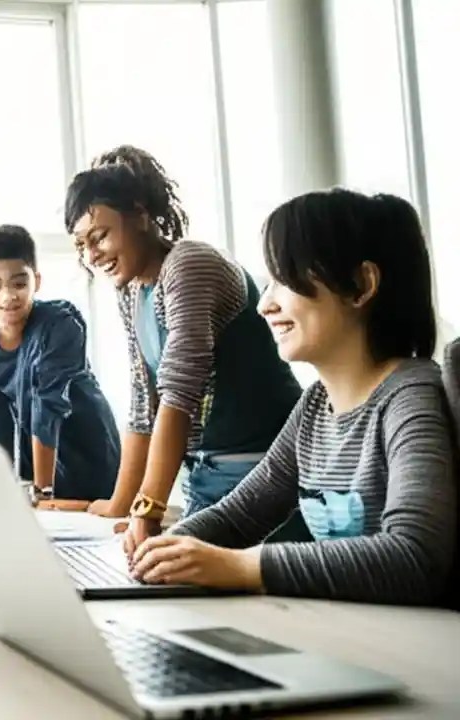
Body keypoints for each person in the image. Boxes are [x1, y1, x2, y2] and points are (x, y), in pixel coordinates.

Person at [129, 189, 457, 606]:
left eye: (284, 280)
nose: (264, 305)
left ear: (360, 285)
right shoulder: (316, 406)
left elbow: (415, 558)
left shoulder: (411, 399)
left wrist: (241, 567)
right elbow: (241, 514)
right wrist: (167, 550)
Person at [64, 146, 303, 552]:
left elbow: (179, 394)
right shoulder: (133, 289)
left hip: (263, 476)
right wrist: (121, 507)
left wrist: (148, 508)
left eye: (100, 236)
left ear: (140, 214)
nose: (92, 254)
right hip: (204, 479)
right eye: (81, 244)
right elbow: (145, 401)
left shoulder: (189, 265)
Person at [0, 224, 120, 502]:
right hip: (32, 451)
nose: (8, 297)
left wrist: (43, 493)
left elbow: (47, 407)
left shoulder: (61, 324)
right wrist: (8, 485)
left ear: (36, 281)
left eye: (19, 284)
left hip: (85, 448)